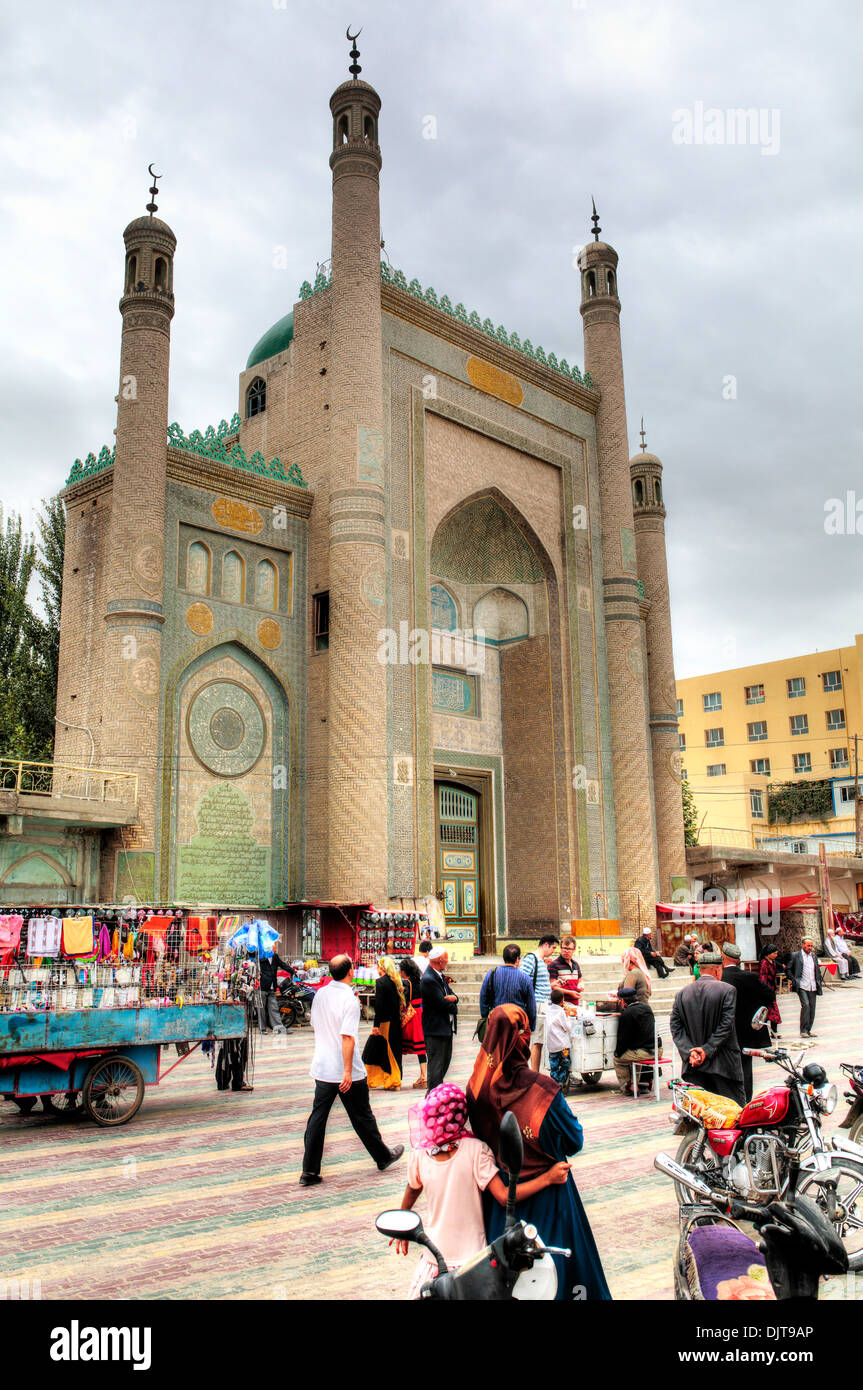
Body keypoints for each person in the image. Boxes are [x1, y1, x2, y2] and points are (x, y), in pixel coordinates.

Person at [467, 1004, 611, 1301]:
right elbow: (574, 1140)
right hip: (550, 1195)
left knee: (507, 1283)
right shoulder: (542, 1090)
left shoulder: (476, 1089)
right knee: (559, 1278)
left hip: (500, 1200)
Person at [392, 1083, 570, 1297]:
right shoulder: (475, 1151)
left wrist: (402, 1222)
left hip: (433, 1261)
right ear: (460, 1115)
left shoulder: (419, 1156)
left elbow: (412, 1188)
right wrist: (548, 1179)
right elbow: (504, 1196)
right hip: (473, 1266)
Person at [300, 954, 404, 1186]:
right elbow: (347, 1037)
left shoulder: (321, 994)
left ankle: (309, 1170)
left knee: (318, 1118)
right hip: (347, 1070)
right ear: (351, 972)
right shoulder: (349, 999)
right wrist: (346, 1072)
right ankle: (382, 1156)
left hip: (323, 1067)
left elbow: (316, 1025)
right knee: (362, 1117)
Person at [669, 951, 745, 1105]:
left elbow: (675, 1028)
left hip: (694, 1067)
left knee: (701, 1116)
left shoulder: (682, 994)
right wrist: (706, 1050)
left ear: (700, 969)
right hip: (724, 1066)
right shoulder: (727, 990)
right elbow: (726, 1025)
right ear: (718, 970)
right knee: (733, 1113)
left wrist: (690, 1052)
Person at [720, 941, 773, 1102]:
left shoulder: (720, 977)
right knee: (745, 1069)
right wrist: (755, 1011)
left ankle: (729, 1101)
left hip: (724, 1033)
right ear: (737, 960)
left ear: (723, 957)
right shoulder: (749, 977)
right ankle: (745, 1101)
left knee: (725, 1069)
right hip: (747, 1034)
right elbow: (769, 995)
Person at [363, 955, 404, 1090]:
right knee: (393, 1052)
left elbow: (379, 1006)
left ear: (381, 968)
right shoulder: (397, 981)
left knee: (378, 1051)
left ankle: (385, 1080)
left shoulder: (380, 982)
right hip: (396, 1022)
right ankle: (394, 1080)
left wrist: (376, 1026)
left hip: (385, 1023)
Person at [421, 946, 458, 1090]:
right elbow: (441, 1003)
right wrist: (453, 1005)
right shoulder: (429, 979)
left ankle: (433, 1097)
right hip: (435, 1030)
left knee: (443, 1064)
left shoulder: (439, 976)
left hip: (444, 1029)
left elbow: (453, 996)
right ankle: (432, 1098)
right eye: (446, 958)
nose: (447, 961)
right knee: (436, 1067)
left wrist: (453, 999)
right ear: (440, 960)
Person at [520, 934, 557, 1070]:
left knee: (539, 1041)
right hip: (537, 1005)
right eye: (553, 948)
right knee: (537, 1041)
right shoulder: (531, 959)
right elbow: (522, 979)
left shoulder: (541, 961)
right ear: (546, 945)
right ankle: (534, 1072)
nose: (553, 951)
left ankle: (534, 1071)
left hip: (543, 1004)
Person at [479, 943, 537, 1030]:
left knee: (499, 1044)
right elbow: (531, 1006)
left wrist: (485, 1017)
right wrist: (531, 1026)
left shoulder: (492, 974)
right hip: (517, 1023)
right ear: (517, 959)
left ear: (504, 958)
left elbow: (483, 997)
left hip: (497, 1021)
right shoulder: (525, 978)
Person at [613, 986, 657, 1094]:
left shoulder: (627, 1013)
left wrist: (618, 1052)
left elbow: (623, 1040)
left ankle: (628, 1085)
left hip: (644, 1052)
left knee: (618, 1059)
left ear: (623, 1001)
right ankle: (635, 1084)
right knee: (634, 1054)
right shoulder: (647, 1008)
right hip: (657, 1049)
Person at [399, 956, 427, 1090]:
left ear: (405, 971)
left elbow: (403, 1001)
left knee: (400, 1043)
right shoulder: (420, 981)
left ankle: (396, 1076)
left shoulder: (406, 983)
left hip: (412, 1015)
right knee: (421, 1048)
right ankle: (424, 1075)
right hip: (421, 1013)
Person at [787, 937, 822, 1039]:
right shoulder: (796, 956)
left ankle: (808, 1029)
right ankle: (803, 1030)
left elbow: (817, 970)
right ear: (803, 945)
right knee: (806, 1006)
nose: (810, 948)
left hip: (813, 985)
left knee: (812, 1008)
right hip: (802, 985)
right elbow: (788, 969)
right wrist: (794, 980)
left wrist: (818, 980)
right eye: (808, 946)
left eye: (811, 946)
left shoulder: (813, 956)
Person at [256, 944, 293, 1035]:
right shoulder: (260, 957)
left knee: (274, 1008)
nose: (274, 951)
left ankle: (279, 1028)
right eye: (273, 949)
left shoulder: (275, 957)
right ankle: (262, 1028)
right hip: (262, 987)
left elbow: (283, 965)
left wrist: (292, 971)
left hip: (272, 986)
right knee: (261, 1009)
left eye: (275, 949)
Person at [546, 987, 572, 1089]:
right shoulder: (561, 1012)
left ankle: (554, 1083)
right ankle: (561, 1082)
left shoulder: (548, 1010)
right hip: (562, 1046)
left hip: (552, 1046)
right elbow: (567, 1027)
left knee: (554, 1066)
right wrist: (568, 1016)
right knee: (566, 1063)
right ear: (562, 1001)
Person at [547, 934, 584, 1004]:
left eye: (569, 949)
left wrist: (580, 986)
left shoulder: (576, 965)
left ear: (574, 950)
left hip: (575, 1004)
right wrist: (570, 993)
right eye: (564, 948)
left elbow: (580, 981)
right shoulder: (553, 965)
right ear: (560, 948)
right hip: (560, 1005)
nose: (566, 951)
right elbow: (553, 987)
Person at [758, 944, 783, 1040]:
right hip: (766, 990)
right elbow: (763, 977)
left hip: (771, 989)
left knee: (773, 1012)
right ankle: (767, 1032)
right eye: (774, 953)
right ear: (768, 954)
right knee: (767, 1012)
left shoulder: (773, 962)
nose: (776, 955)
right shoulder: (764, 963)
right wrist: (765, 990)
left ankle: (774, 1031)